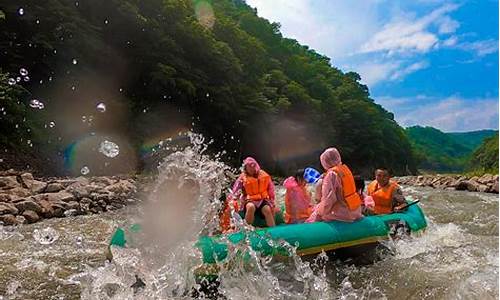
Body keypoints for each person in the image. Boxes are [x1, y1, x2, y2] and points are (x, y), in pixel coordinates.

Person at [306, 148, 363, 223]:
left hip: (341, 214)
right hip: (356, 211)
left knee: (315, 215)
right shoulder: (345, 170)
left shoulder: (331, 174)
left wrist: (318, 210)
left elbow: (329, 199)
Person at [230, 157, 276, 227]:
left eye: (253, 166)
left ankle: (273, 229)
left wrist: (272, 200)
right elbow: (236, 189)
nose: (252, 169)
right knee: (251, 207)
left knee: (267, 209)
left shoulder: (264, 175)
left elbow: (271, 188)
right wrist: (234, 199)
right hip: (250, 200)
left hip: (262, 200)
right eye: (249, 167)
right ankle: (247, 228)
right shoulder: (242, 178)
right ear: (246, 168)